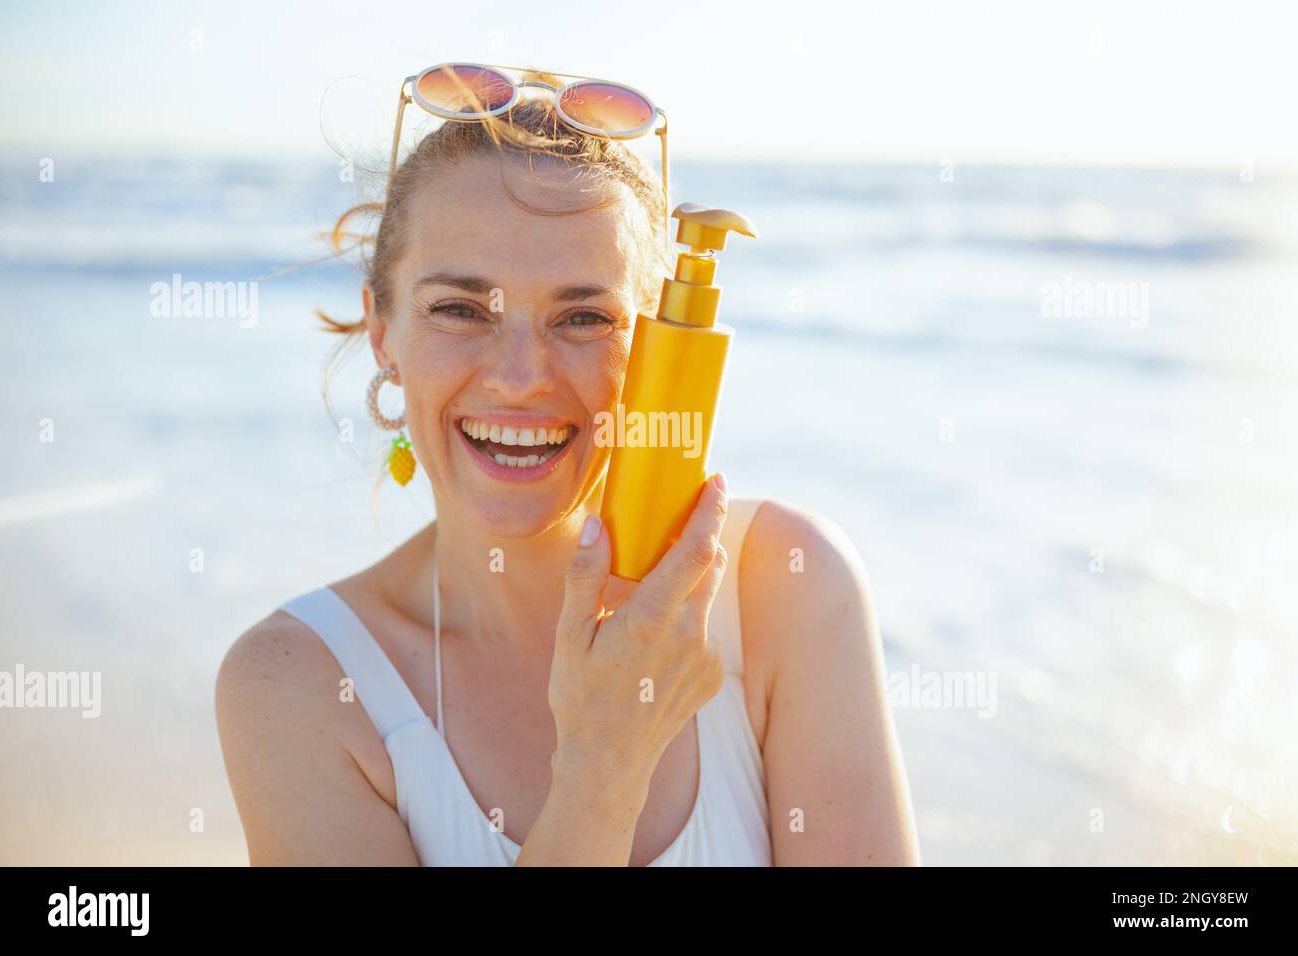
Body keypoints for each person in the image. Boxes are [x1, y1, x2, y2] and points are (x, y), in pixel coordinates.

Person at [216, 89, 919, 866]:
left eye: (583, 318)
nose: (521, 378)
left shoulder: (786, 589)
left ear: (655, 344)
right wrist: (603, 765)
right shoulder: (298, 685)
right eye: (459, 309)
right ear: (385, 334)